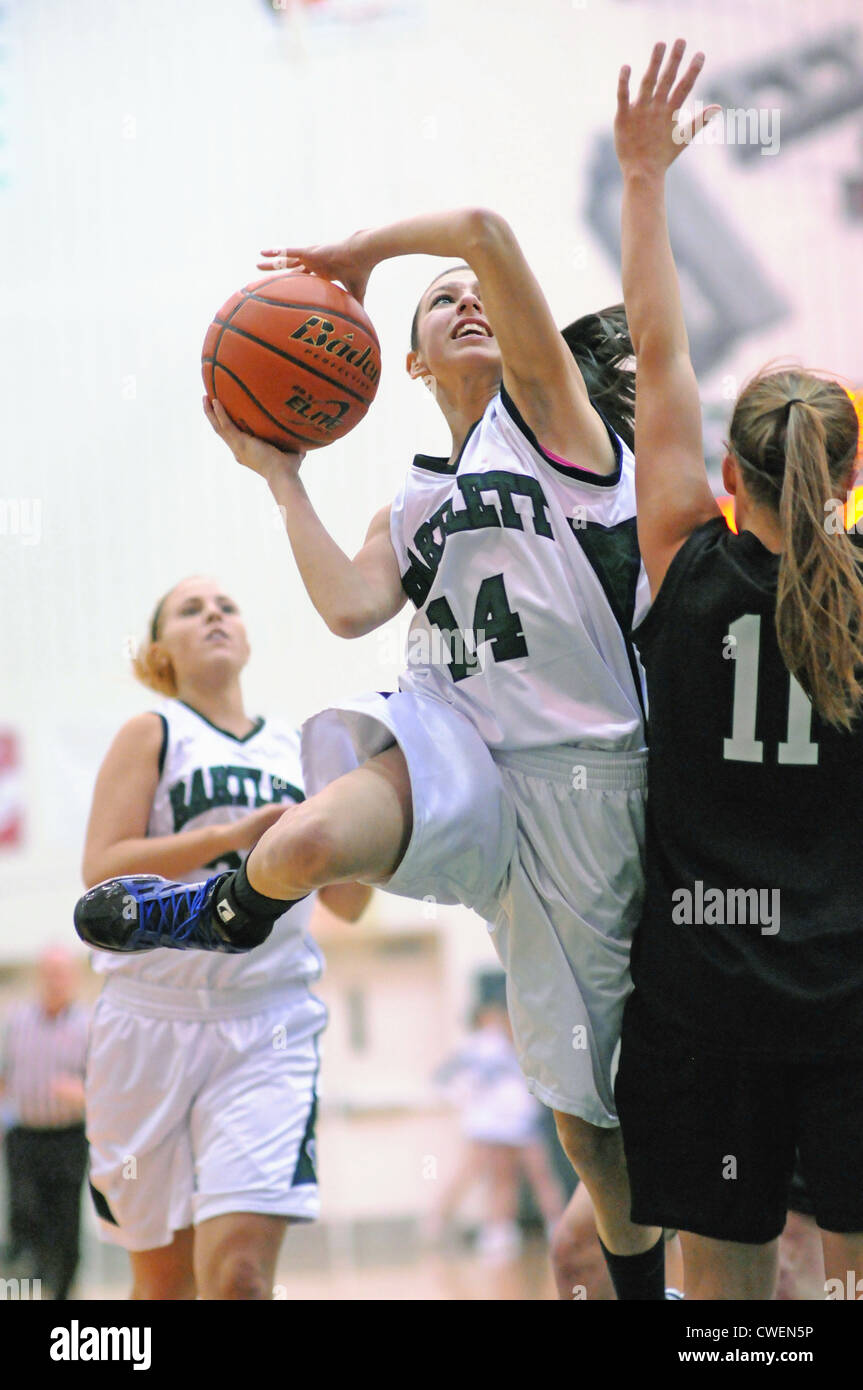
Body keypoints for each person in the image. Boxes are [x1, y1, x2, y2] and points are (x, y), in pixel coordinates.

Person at [76, 213, 666, 1298]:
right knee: (303, 835)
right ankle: (222, 907)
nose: (466, 300)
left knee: (591, 1133)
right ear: (405, 362)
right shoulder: (413, 499)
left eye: (471, 292)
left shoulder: (552, 419)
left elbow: (486, 230)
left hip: (591, 777)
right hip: (457, 746)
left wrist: (364, 254)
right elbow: (351, 609)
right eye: (439, 303)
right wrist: (278, 474)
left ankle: (647, 1294)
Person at [611, 40, 863, 1299]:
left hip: (706, 1001)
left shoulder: (679, 557)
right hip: (848, 994)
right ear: (848, 477)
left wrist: (643, 179)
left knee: (723, 1306)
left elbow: (657, 356)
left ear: (730, 473)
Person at [81, 575, 370, 1299]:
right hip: (149, 1019)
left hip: (267, 1022)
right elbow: (100, 872)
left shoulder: (300, 748)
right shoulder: (153, 731)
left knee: (239, 1277)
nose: (213, 614)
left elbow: (350, 906)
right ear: (159, 651)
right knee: (162, 1288)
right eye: (189, 609)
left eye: (227, 606)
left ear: (245, 638)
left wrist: (377, 804)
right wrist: (234, 835)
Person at [428, 999, 565, 1259]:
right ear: (481, 1019)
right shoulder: (477, 1047)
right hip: (491, 1125)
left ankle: (553, 1226)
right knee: (494, 1175)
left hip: (522, 1122)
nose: (497, 1020)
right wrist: (464, 1099)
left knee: (538, 1173)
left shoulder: (518, 1042)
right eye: (491, 1016)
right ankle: (487, 1229)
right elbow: (445, 1079)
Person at [1, 946, 89, 1299]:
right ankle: (30, 1283)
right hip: (24, 1136)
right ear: (40, 977)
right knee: (24, 1213)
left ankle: (63, 1291)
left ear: (73, 979)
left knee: (65, 1221)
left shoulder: (88, 1027)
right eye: (50, 973)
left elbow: (107, 1087)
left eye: (62, 974)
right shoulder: (15, 1023)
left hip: (68, 1138)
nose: (56, 981)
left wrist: (82, 1093)